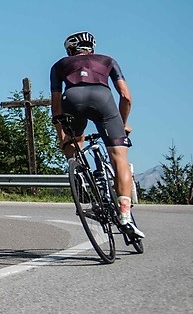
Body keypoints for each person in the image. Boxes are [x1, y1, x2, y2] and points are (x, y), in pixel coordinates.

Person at [50, 31, 144, 238]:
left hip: (71, 99)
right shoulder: (108, 60)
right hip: (103, 100)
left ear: (69, 50)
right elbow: (125, 96)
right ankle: (125, 216)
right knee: (119, 158)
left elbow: (56, 108)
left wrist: (62, 137)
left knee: (75, 142)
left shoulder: (59, 65)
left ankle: (81, 181)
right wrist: (122, 124)